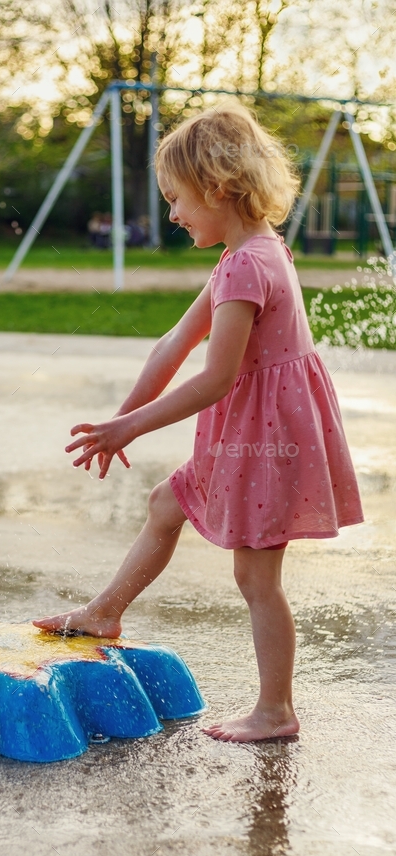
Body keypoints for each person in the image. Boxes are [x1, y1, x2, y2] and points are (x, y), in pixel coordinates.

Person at [33, 103, 364, 742]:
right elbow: (174, 343)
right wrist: (118, 419)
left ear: (215, 187)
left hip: (264, 441)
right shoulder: (255, 252)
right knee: (167, 502)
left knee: (256, 576)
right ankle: (105, 611)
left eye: (175, 199)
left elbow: (215, 379)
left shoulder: (247, 266)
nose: (173, 215)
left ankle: (276, 711)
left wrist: (131, 429)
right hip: (255, 431)